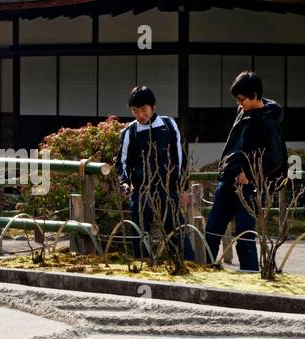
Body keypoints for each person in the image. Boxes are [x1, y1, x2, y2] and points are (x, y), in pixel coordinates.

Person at [205, 71, 287, 273]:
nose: (239, 103)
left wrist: (250, 175)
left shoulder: (268, 121)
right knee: (212, 232)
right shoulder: (243, 111)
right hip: (228, 179)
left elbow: (275, 158)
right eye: (237, 99)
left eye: (242, 99)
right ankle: (203, 271)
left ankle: (249, 279)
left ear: (255, 95)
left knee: (244, 237)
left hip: (249, 187)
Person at [117, 85, 185, 257]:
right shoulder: (129, 132)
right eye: (135, 111)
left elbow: (179, 158)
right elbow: (121, 162)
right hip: (141, 190)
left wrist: (180, 186)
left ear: (153, 107)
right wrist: (124, 183)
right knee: (139, 231)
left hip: (167, 188)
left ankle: (183, 262)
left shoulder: (169, 125)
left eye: (144, 110)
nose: (140, 115)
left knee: (175, 230)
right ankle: (142, 265)